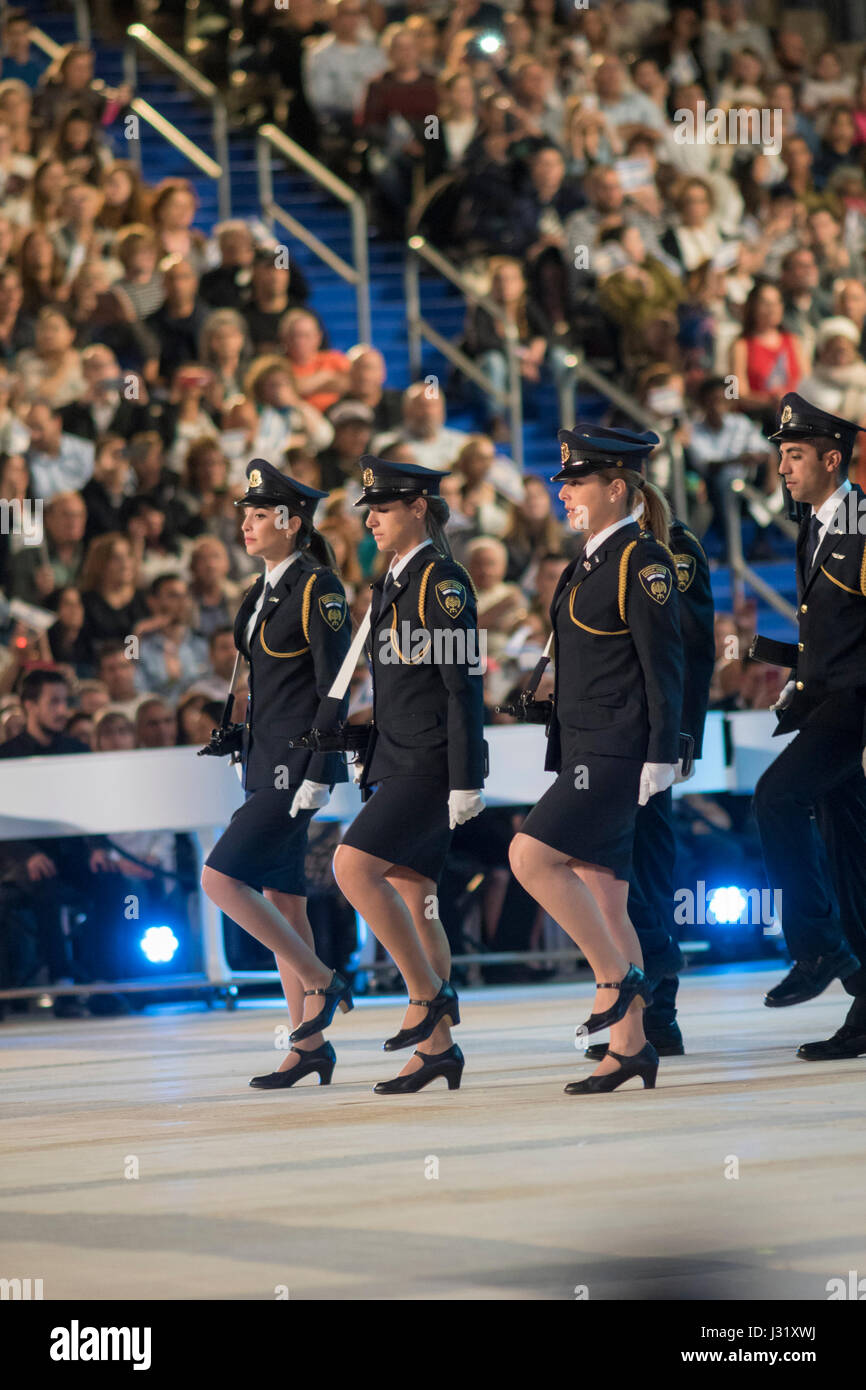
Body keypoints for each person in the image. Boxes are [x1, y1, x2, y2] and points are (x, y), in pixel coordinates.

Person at [508, 426, 683, 1095]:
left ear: (617, 488)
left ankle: (616, 982)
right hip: (585, 745)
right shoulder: (588, 560)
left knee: (529, 856)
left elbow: (661, 667)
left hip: (618, 750)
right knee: (611, 903)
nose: (565, 494)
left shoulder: (643, 561)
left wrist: (662, 754)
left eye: (576, 482)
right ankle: (631, 1047)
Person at [333, 457, 487, 1094]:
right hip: (399, 757)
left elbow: (462, 687)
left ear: (419, 508)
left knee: (352, 866)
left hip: (428, 765)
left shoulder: (440, 580)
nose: (371, 518)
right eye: (369, 508)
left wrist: (466, 776)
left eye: (384, 507)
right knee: (415, 894)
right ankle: (437, 1052)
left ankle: (427, 995)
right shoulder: (393, 581)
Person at [200, 459, 353, 1089]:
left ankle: (319, 979)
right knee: (285, 898)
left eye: (260, 514)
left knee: (220, 879)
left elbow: (335, 687)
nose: (247, 523)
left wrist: (321, 766)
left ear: (291, 524)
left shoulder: (319, 589)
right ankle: (309, 1046)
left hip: (297, 765)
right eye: (246, 513)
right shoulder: (258, 594)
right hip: (262, 761)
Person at [581, 427, 715, 1062]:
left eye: (583, 476)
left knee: (645, 876)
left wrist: (679, 739)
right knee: (608, 876)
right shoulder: (604, 551)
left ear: (620, 481)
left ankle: (657, 1011)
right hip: (606, 741)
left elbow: (683, 654)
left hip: (648, 741)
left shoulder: (668, 548)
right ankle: (630, 1008)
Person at [752, 394, 866, 1060]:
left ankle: (818, 946)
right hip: (828, 699)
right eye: (781, 455)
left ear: (832, 458)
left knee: (777, 797)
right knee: (852, 855)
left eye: (794, 455)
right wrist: (797, 679)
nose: (783, 467)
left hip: (857, 705)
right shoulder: (816, 522)